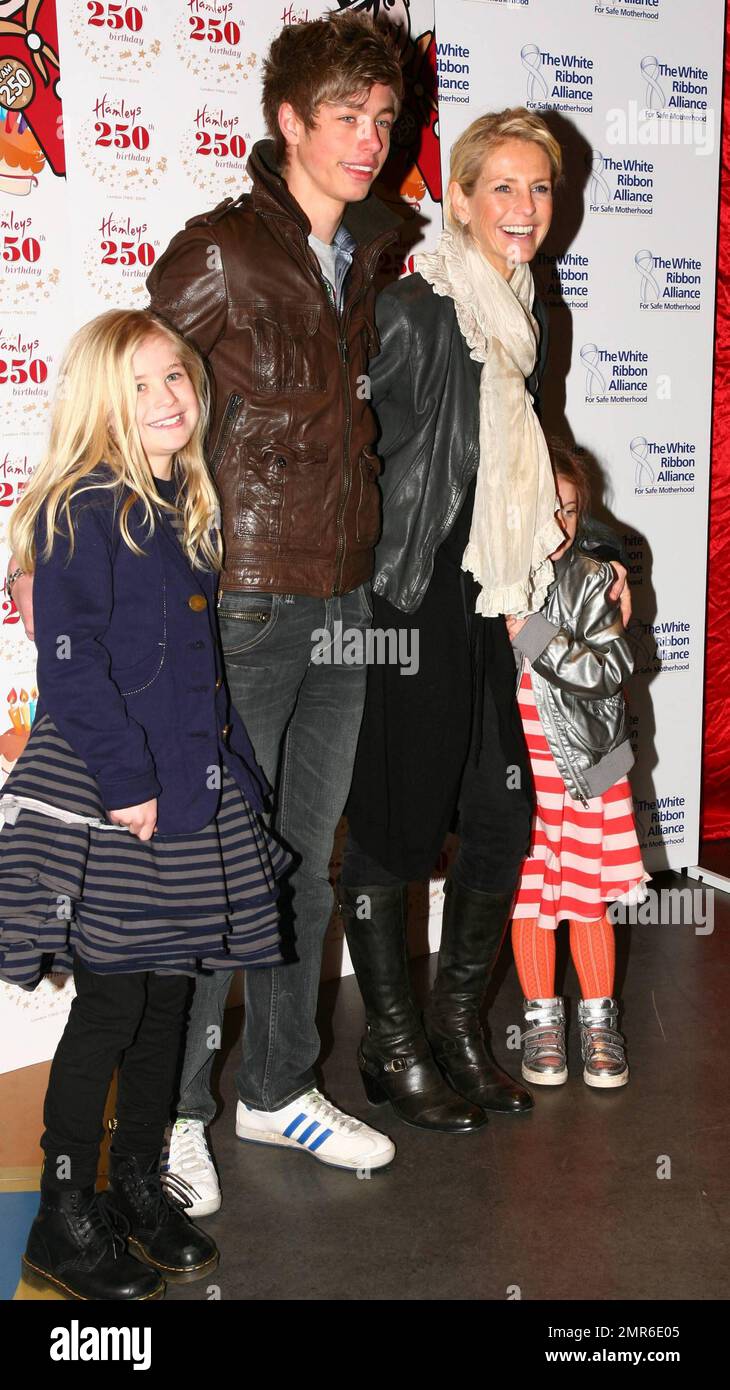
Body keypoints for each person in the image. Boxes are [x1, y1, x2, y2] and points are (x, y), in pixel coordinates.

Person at [142, 12, 405, 1201]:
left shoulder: (375, 249)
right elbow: (130, 412)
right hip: (242, 602)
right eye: (345, 115)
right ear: (287, 123)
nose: (369, 137)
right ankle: (173, 1113)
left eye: (384, 116)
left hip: (345, 597)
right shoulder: (218, 253)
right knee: (218, 868)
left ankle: (277, 1091)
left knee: (305, 862)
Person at [340, 109, 631, 1132]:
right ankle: (390, 1043)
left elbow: (527, 460)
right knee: (395, 830)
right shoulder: (419, 307)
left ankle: (458, 1030)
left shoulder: (521, 309)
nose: (523, 208)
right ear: (457, 199)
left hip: (488, 599)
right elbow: (365, 455)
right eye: (499, 187)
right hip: (409, 599)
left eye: (539, 189)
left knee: (502, 817)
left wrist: (594, 545)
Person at [0, 309, 290, 1301]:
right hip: (110, 795)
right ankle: (61, 1214)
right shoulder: (85, 508)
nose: (169, 398)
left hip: (188, 792)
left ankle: (133, 1184)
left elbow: (198, 677)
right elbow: (71, 672)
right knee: (114, 1006)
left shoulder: (180, 513)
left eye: (177, 377)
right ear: (98, 403)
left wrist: (233, 778)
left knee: (170, 998)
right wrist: (128, 787)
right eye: (141, 384)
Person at [508, 439, 649, 1089]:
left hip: (590, 766)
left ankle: (598, 1021)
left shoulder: (595, 576)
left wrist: (534, 635)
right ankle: (541, 1018)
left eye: (568, 510)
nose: (556, 525)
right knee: (531, 895)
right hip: (524, 766)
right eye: (544, 508)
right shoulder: (497, 581)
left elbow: (604, 674)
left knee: (587, 898)